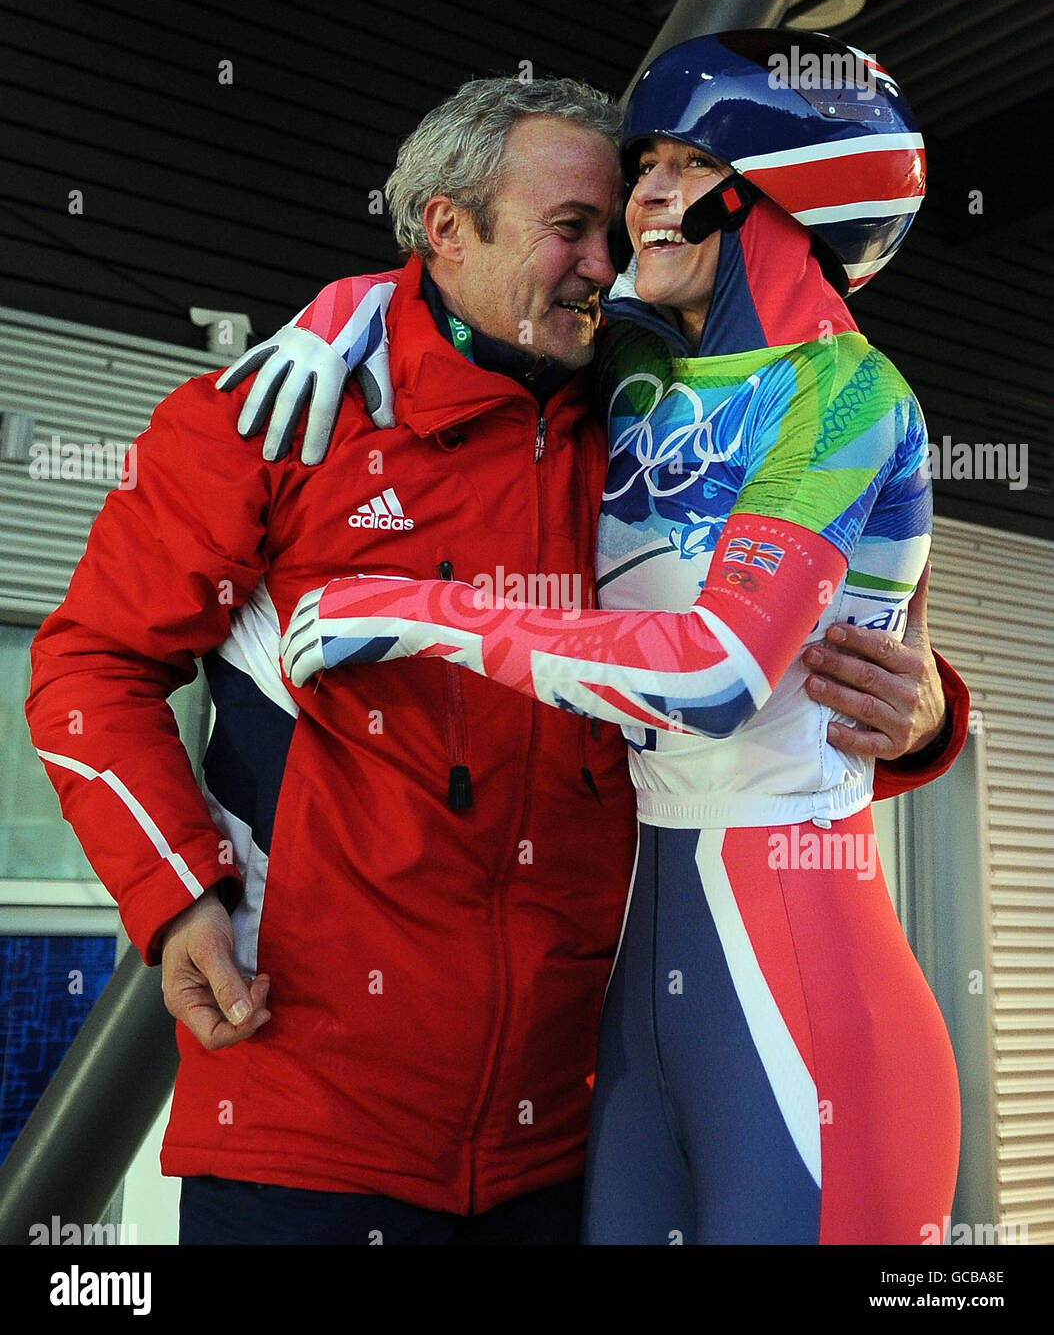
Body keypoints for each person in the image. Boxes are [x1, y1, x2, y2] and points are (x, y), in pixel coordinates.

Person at [26, 68, 965, 1247]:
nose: (605, 256)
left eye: (615, 213)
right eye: (569, 228)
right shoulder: (262, 420)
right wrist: (177, 899)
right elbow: (87, 670)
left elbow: (763, 640)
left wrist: (922, 714)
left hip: (567, 1123)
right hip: (309, 1124)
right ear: (446, 228)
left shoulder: (628, 409)